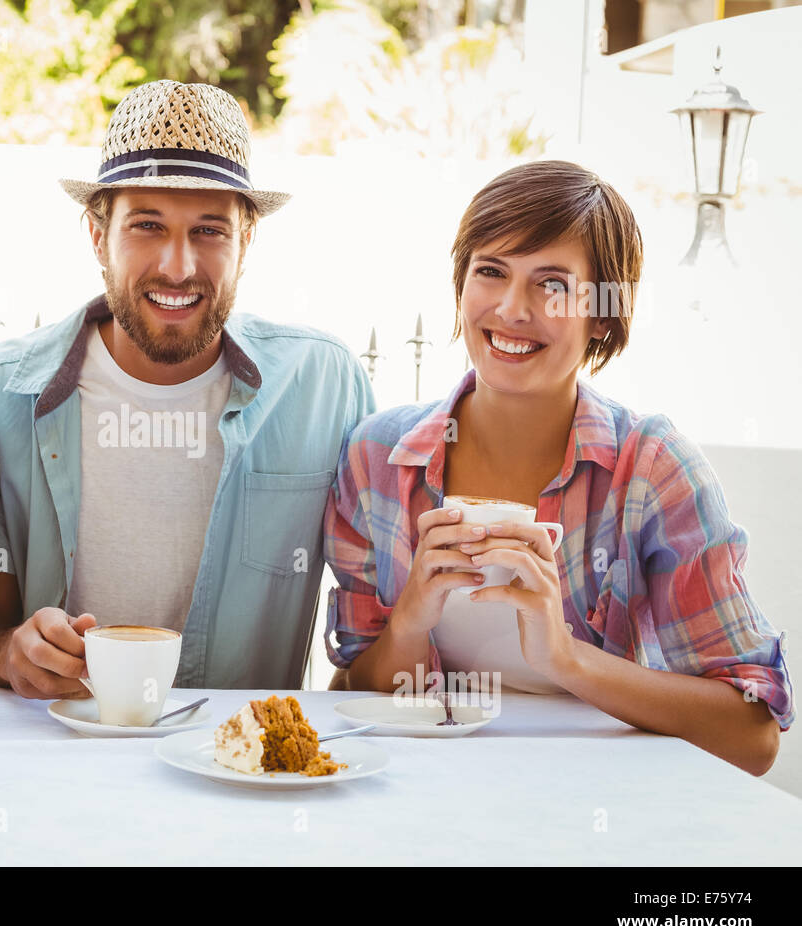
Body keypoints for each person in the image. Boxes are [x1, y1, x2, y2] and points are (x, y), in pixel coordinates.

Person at [323, 159, 793, 775]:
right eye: (490, 272)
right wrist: (408, 624)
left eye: (552, 284)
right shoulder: (377, 458)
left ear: (603, 313)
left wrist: (564, 658)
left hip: (592, 807)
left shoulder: (651, 470)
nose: (512, 309)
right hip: (422, 804)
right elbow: (354, 691)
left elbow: (753, 736)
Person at [0, 80, 374, 698]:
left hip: (239, 769)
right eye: (147, 225)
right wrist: (7, 654)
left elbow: (378, 613)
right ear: (98, 236)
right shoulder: (0, 394)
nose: (178, 266)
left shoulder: (323, 386)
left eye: (209, 231)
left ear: (247, 241)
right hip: (59, 759)